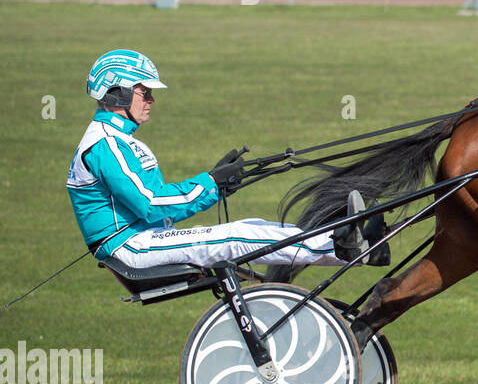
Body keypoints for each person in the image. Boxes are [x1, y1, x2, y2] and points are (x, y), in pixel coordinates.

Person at [68, 49, 386, 271]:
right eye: (144, 92)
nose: (151, 99)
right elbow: (150, 204)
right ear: (117, 94)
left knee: (252, 227)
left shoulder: (117, 141)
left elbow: (155, 206)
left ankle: (341, 244)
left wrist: (215, 185)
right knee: (234, 237)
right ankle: (345, 248)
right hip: (131, 247)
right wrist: (210, 182)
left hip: (142, 237)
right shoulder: (106, 145)